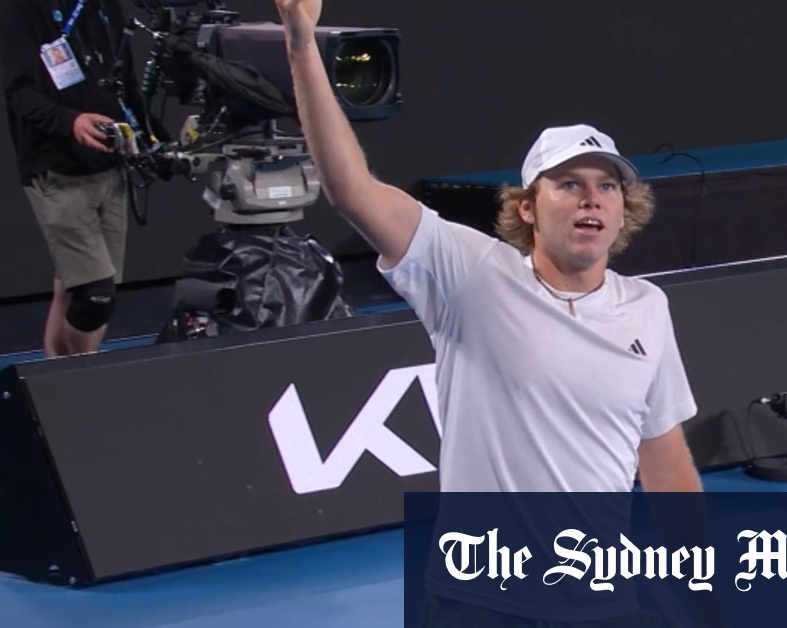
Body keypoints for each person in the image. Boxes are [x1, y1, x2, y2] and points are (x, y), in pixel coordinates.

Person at [275, 0, 702, 494]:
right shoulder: (472, 275)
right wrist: (302, 47)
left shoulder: (646, 307)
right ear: (527, 208)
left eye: (608, 187)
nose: (592, 198)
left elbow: (664, 456)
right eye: (568, 184)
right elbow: (353, 191)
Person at [0, 0, 147, 356]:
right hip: (58, 167)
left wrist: (150, 134)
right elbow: (19, 92)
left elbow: (124, 75)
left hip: (110, 163)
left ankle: (58, 378)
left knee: (74, 281)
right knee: (95, 297)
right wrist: (70, 121)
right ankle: (83, 375)